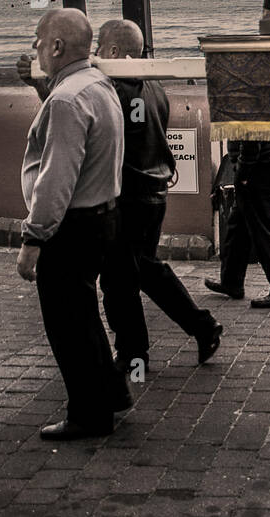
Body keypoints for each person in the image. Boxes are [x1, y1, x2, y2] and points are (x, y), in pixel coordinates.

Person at [17, 21, 223, 375]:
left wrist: (41, 85)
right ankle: (172, 337)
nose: (94, 53)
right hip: (155, 190)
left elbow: (77, 121)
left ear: (113, 52)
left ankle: (145, 348)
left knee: (124, 278)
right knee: (138, 271)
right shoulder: (155, 87)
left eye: (99, 47)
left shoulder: (113, 90)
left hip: (130, 196)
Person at [16, 9, 130, 440]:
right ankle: (112, 393)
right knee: (84, 316)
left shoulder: (66, 100)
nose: (35, 47)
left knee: (67, 325)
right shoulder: (98, 84)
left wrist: (34, 237)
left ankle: (89, 415)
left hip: (72, 226)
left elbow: (56, 178)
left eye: (39, 39)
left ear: (58, 46)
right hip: (104, 216)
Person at [205, 140, 270, 308]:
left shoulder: (246, 113)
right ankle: (231, 282)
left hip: (257, 172)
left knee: (262, 232)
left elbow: (251, 144)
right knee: (238, 226)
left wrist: (242, 175)